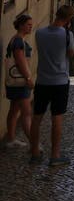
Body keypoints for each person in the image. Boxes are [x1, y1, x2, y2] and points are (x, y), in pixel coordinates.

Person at [29, 4, 74, 167]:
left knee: (36, 118)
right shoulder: (67, 35)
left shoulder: (39, 33)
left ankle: (35, 152)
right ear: (68, 19)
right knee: (57, 118)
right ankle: (55, 155)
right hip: (60, 82)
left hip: (42, 81)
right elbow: (70, 54)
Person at [4, 13, 34, 147]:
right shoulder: (18, 41)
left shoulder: (15, 40)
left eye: (31, 25)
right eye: (28, 25)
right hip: (20, 82)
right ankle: (34, 144)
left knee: (14, 110)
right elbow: (20, 61)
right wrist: (28, 78)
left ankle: (11, 139)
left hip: (14, 81)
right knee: (26, 113)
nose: (30, 27)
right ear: (21, 25)